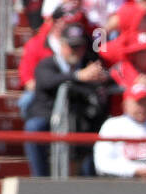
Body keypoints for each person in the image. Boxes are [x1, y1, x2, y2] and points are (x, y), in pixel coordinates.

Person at [26, 22, 111, 177]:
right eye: (72, 46)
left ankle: (90, 185)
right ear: (62, 45)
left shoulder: (90, 65)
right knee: (34, 127)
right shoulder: (47, 64)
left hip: (82, 120)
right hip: (50, 118)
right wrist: (79, 76)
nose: (76, 51)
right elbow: (47, 81)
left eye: (79, 47)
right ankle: (40, 179)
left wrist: (100, 79)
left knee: (100, 132)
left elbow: (105, 85)